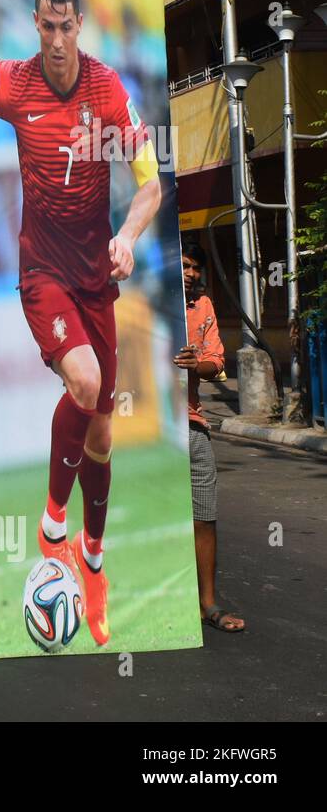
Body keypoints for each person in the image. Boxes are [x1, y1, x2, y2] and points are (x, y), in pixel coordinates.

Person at [0, 0, 163, 646]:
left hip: (98, 278)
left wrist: (127, 235)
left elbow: (152, 183)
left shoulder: (107, 91)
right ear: (35, 23)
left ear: (80, 25)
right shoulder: (16, 81)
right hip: (41, 272)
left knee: (102, 433)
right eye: (49, 25)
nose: (60, 37)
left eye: (69, 25)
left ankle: (93, 561)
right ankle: (51, 523)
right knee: (89, 382)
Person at [176, 241, 245, 633]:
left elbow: (216, 362)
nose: (191, 274)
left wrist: (195, 364)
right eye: (185, 266)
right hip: (143, 424)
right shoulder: (139, 300)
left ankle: (207, 603)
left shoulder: (202, 308)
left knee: (204, 514)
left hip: (191, 422)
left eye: (196, 268)